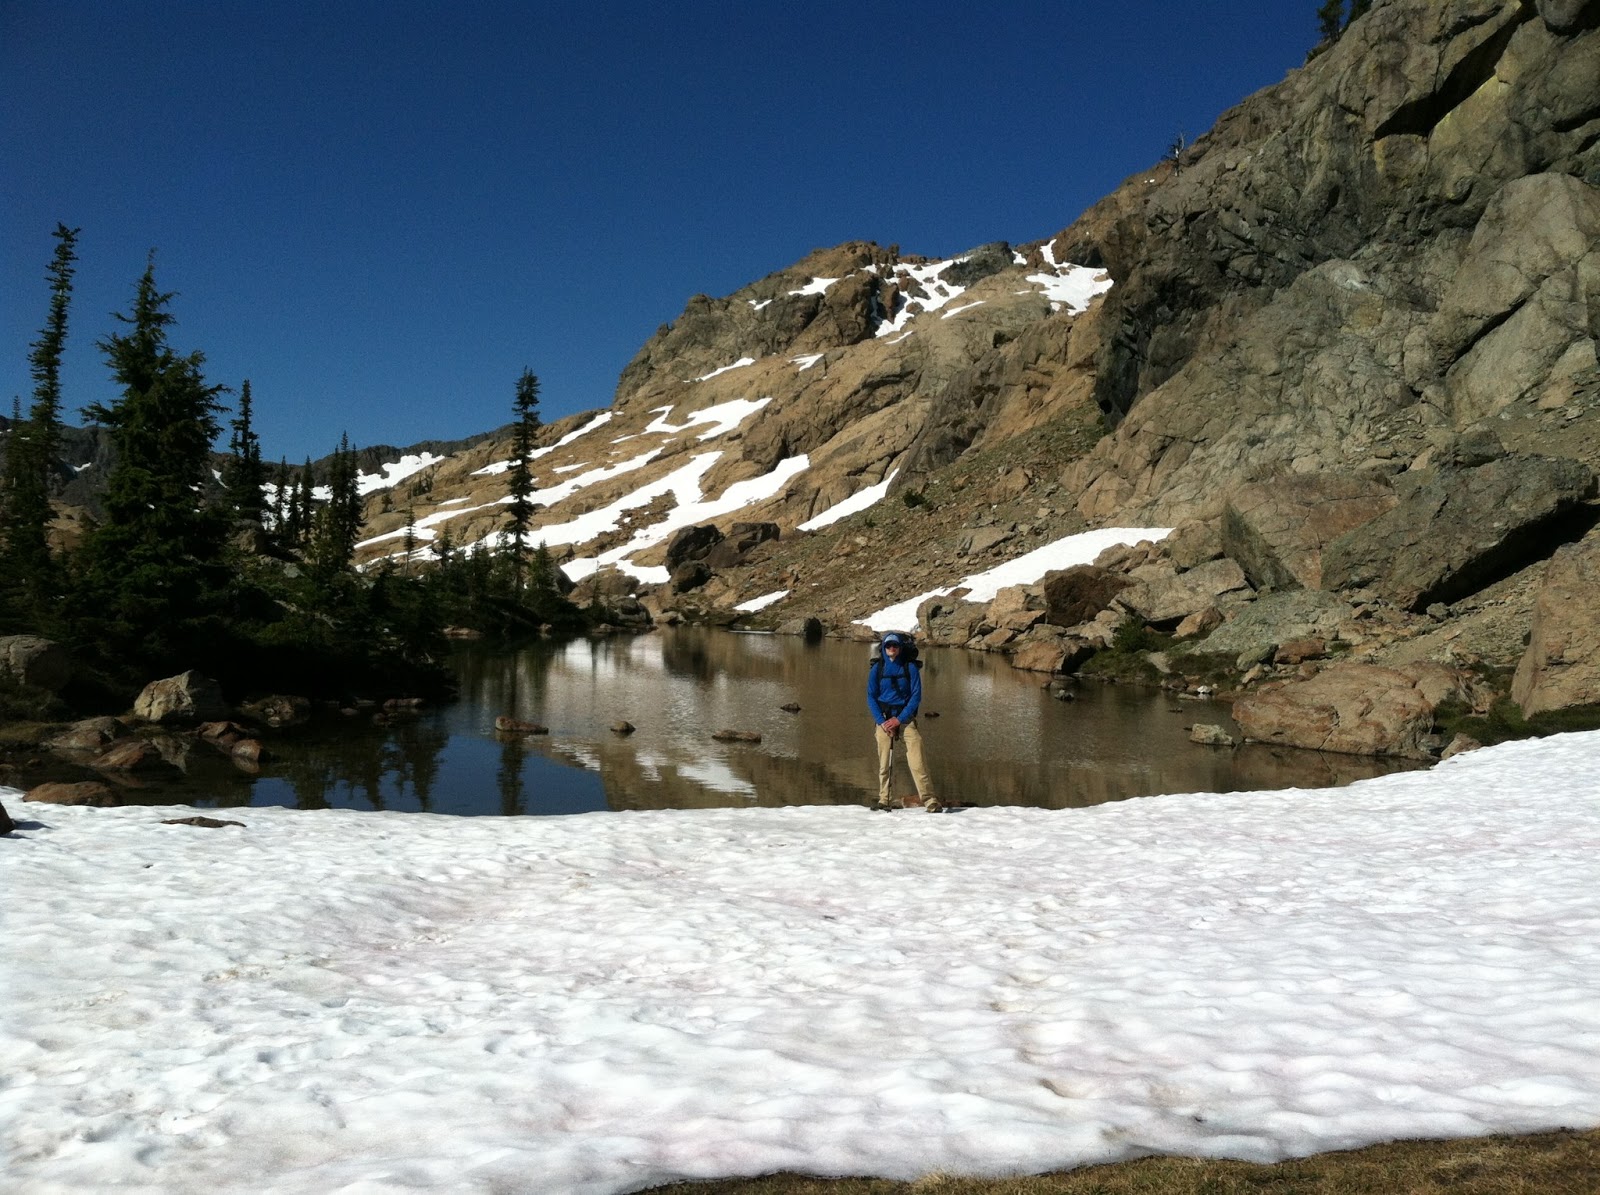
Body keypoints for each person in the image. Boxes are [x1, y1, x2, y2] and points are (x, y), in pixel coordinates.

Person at [867, 632, 942, 811]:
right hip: (884, 719)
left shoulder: (910, 668)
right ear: (883, 648)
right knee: (884, 762)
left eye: (895, 645)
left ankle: (930, 800)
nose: (892, 648)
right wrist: (882, 721)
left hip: (905, 719)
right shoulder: (877, 668)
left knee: (918, 761)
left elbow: (916, 697)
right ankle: (884, 799)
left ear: (900, 648)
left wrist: (899, 720)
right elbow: (871, 696)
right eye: (888, 645)